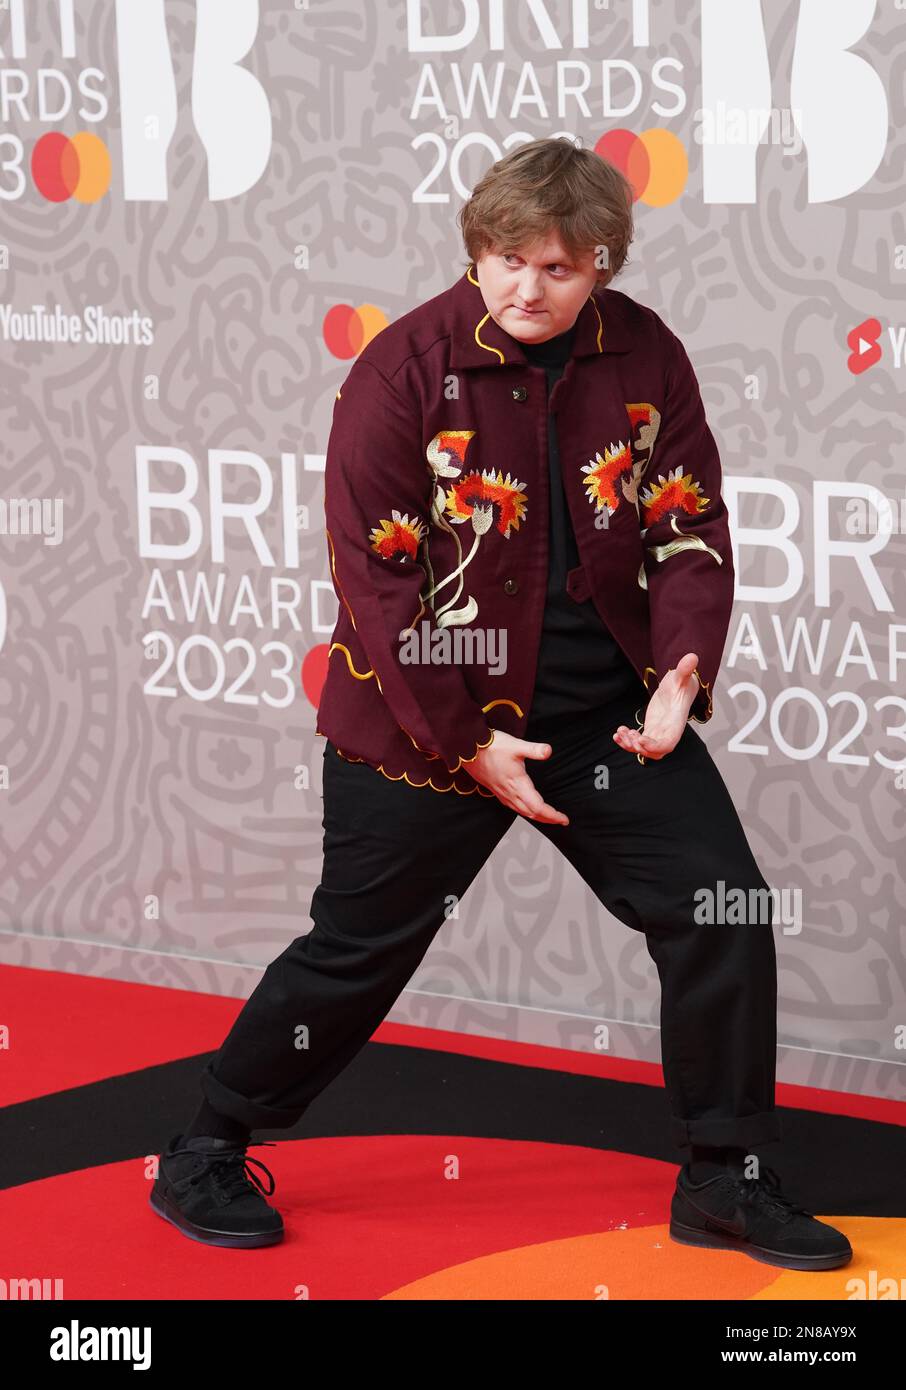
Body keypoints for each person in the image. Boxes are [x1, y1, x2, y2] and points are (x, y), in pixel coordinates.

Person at [149, 138, 852, 1272]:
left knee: (722, 913)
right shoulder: (400, 371)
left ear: (604, 268)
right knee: (355, 952)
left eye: (559, 269)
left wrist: (682, 668)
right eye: (504, 258)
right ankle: (205, 1147)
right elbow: (376, 581)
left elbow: (687, 523)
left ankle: (727, 1179)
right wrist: (469, 738)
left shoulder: (646, 354)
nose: (526, 288)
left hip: (603, 720)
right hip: (427, 724)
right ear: (476, 250)